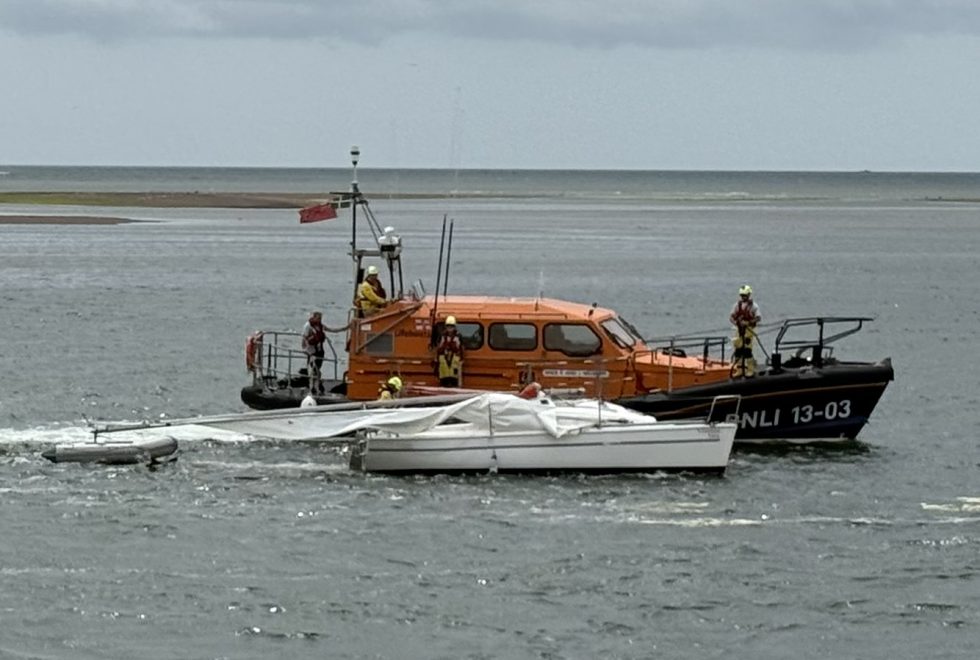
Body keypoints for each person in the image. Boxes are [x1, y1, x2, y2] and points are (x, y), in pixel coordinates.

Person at [729, 284, 761, 377]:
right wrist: (735, 322)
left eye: (745, 295)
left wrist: (748, 322)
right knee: (738, 350)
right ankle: (739, 369)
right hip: (739, 330)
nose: (743, 297)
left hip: (749, 330)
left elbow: (758, 318)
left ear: (749, 295)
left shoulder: (754, 306)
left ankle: (750, 369)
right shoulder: (737, 305)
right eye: (742, 295)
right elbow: (731, 316)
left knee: (747, 350)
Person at [434, 316, 464, 387]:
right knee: (443, 381)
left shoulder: (458, 336)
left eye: (451, 326)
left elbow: (462, 348)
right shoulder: (442, 336)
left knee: (454, 382)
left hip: (455, 363)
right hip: (443, 363)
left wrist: (462, 359)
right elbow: (437, 347)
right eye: (448, 326)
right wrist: (436, 359)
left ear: (454, 327)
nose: (450, 328)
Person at [302, 311, 326, 393]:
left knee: (318, 368)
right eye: (318, 318)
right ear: (314, 317)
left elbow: (328, 330)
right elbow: (304, 337)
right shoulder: (308, 326)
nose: (320, 320)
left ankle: (317, 385)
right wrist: (304, 349)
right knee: (312, 369)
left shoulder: (320, 326)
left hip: (319, 350)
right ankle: (312, 386)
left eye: (321, 318)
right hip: (312, 351)